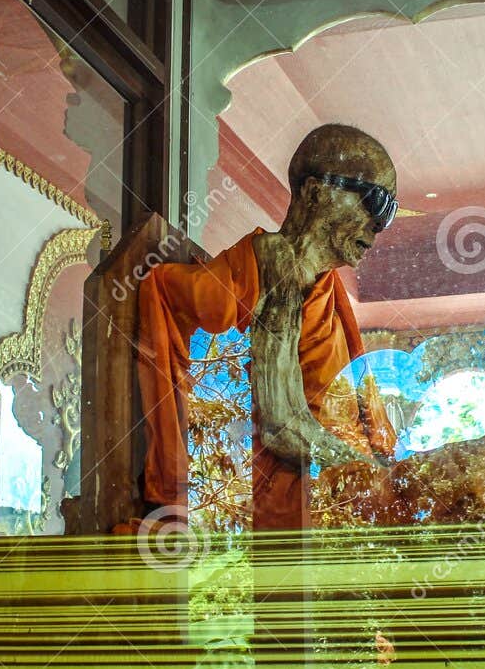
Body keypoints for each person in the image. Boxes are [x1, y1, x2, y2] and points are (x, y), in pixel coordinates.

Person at [134, 123, 398, 528]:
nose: (378, 225)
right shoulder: (274, 264)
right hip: (298, 505)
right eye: (374, 201)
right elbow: (282, 427)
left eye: (388, 212)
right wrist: (376, 477)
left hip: (340, 494)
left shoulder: (327, 290)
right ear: (315, 192)